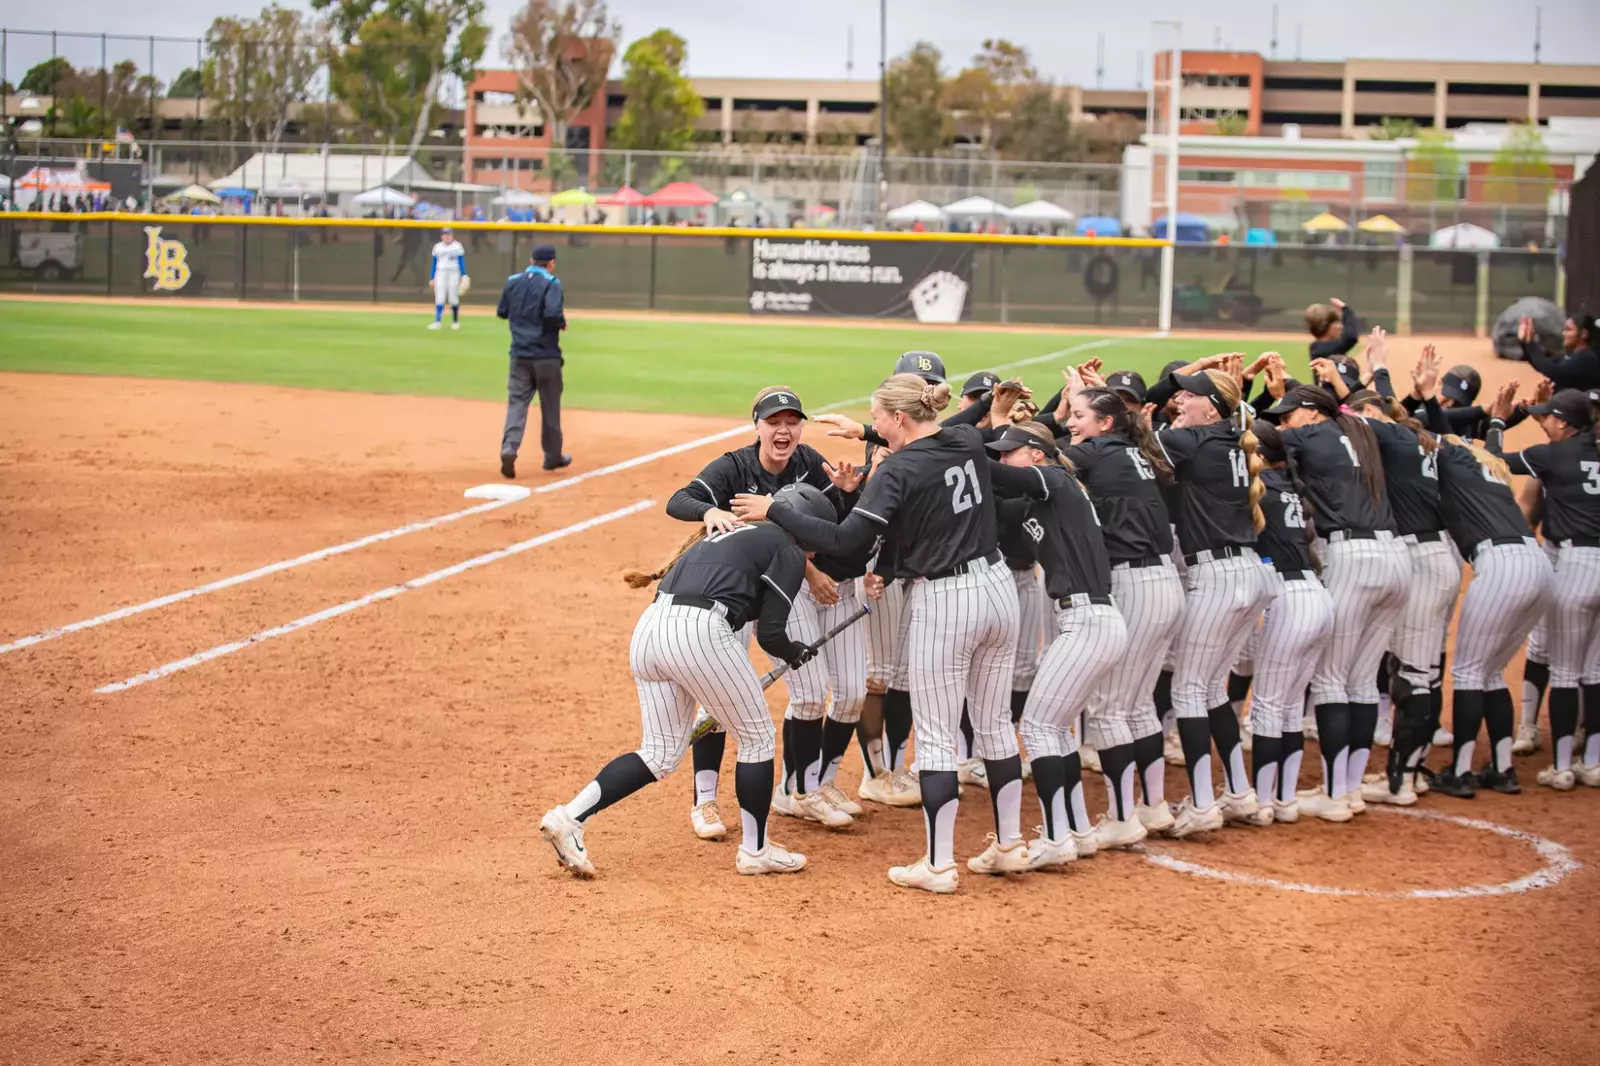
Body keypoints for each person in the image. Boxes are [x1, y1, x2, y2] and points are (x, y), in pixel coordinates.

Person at [737, 374, 1024, 895]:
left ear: (898, 419)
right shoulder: (960, 441)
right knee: (996, 724)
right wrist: (867, 434)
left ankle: (938, 865)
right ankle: (1008, 844)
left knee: (935, 738)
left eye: (878, 418)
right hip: (1000, 589)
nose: (876, 428)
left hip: (948, 599)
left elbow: (846, 537)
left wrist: (774, 509)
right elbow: (952, 424)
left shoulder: (896, 472)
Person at [539, 484, 834, 879]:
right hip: (700, 631)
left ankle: (568, 818)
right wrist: (795, 650)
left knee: (659, 753)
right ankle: (756, 850)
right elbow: (771, 635)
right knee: (757, 738)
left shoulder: (728, 533)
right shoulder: (788, 549)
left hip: (650, 629)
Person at [662, 386, 864, 836]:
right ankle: (705, 801)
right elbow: (678, 501)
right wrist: (710, 511)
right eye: (774, 422)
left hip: (778, 590)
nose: (784, 430)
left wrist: (847, 494)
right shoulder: (734, 466)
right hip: (729, 595)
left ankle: (799, 789)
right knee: (714, 696)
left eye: (792, 421)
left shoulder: (810, 463)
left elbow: (826, 527)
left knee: (809, 691)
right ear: (757, 426)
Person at [1262, 375, 1410, 822]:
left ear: (1312, 412)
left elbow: (1263, 444)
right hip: (1397, 557)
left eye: (1288, 414)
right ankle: (1349, 790)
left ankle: (1334, 794)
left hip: (1353, 556)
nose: (1284, 424)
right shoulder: (1364, 430)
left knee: (1330, 680)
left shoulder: (1306, 434)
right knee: (1362, 681)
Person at [985, 418, 1129, 866]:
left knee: (1037, 728)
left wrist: (955, 444)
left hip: (1088, 619)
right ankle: (1078, 830)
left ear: (1037, 455)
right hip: (1090, 621)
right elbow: (994, 507)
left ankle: (1053, 838)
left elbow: (1000, 477)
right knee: (1057, 728)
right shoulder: (1038, 501)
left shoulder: (1056, 480)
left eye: (1010, 451)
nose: (1003, 458)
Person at [1057, 382, 1185, 846]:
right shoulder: (1132, 450)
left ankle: (1122, 817)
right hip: (1164, 584)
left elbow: (1036, 458)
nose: (1070, 423)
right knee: (1136, 705)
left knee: (1110, 708)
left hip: (1133, 584)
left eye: (1077, 416)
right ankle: (1152, 807)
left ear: (1105, 423)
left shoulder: (1094, 453)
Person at [1151, 362, 1272, 833]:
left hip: (1218, 578)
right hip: (1250, 572)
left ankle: (1202, 803)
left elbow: (1129, 428)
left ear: (1214, 407)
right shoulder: (1235, 442)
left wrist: (1166, 389)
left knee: (1187, 690)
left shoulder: (1195, 441)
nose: (1179, 400)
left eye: (1190, 395)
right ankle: (1239, 792)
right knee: (1210, 689)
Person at [1423, 433, 1553, 799]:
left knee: (1467, 673)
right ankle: (1502, 768)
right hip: (1538, 563)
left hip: (1501, 564)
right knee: (1491, 672)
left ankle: (1461, 771)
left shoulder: (1451, 463)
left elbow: (1429, 441)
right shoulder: (1487, 469)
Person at [1486, 386, 1600, 790]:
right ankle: (1594, 762)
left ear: (1564, 423)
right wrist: (1540, 409)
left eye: (1549, 416)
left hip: (1575, 566)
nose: (1544, 420)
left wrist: (1499, 420)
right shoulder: (1588, 447)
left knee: (1566, 672)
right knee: (1595, 669)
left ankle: (1563, 766)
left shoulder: (1552, 455)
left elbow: (1495, 458)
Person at [1239, 420, 1336, 824]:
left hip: (1290, 600)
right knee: (1291, 707)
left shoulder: (1260, 492)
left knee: (1267, 705)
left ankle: (1261, 803)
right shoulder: (1291, 488)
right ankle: (1284, 800)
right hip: (1317, 597)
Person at [497, 244, 569, 478]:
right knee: (550, 407)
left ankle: (509, 447)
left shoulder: (513, 281)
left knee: (517, 404)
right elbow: (551, 314)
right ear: (552, 263)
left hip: (519, 354)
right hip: (546, 355)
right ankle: (552, 457)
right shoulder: (552, 283)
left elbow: (502, 311)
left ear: (530, 260)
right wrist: (561, 323)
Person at [1519, 313, 1600, 392]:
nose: (1563, 333)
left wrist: (1530, 343)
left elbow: (1551, 370)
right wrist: (1525, 341)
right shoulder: (1572, 355)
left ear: (1583, 334)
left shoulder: (1587, 358)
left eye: (1568, 329)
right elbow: (1541, 364)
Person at [427, 225, 468, 331]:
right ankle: (437, 321)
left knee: (453, 298)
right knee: (439, 297)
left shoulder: (457, 246)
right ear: (441, 236)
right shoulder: (437, 247)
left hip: (454, 272)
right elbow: (434, 263)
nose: (447, 236)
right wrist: (432, 277)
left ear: (452, 235)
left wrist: (464, 274)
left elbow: (461, 261)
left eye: (448, 234)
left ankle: (455, 322)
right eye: (445, 234)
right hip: (440, 273)